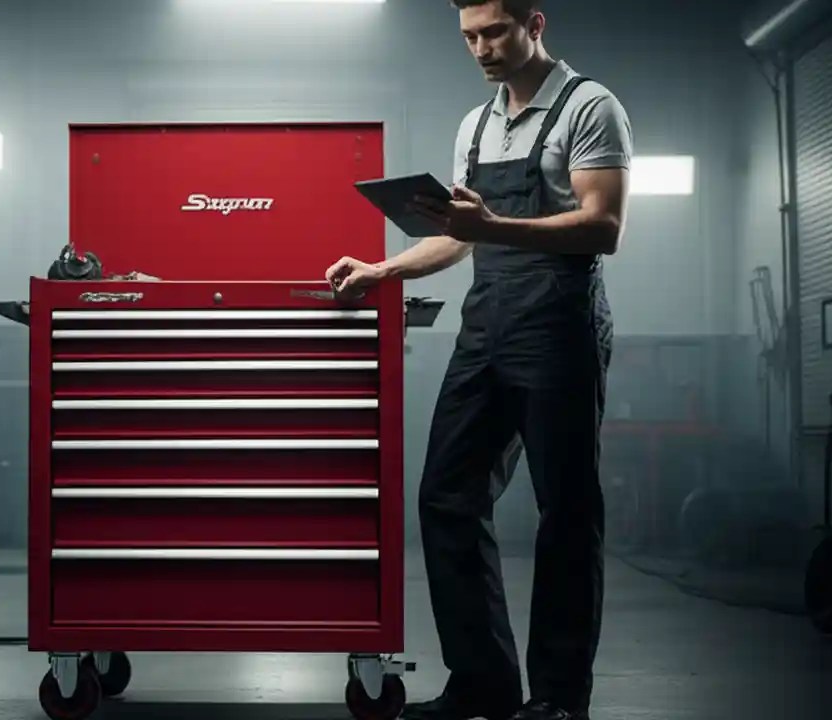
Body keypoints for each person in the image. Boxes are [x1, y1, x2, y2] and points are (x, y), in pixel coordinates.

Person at [325, 1, 632, 719]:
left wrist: (491, 224)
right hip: (487, 321)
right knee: (447, 495)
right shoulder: (477, 123)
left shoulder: (590, 107)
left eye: (494, 31)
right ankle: (483, 683)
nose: (482, 48)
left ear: (536, 22)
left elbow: (603, 226)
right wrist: (382, 269)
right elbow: (461, 238)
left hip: (560, 322)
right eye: (468, 36)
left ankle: (557, 698)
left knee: (567, 510)